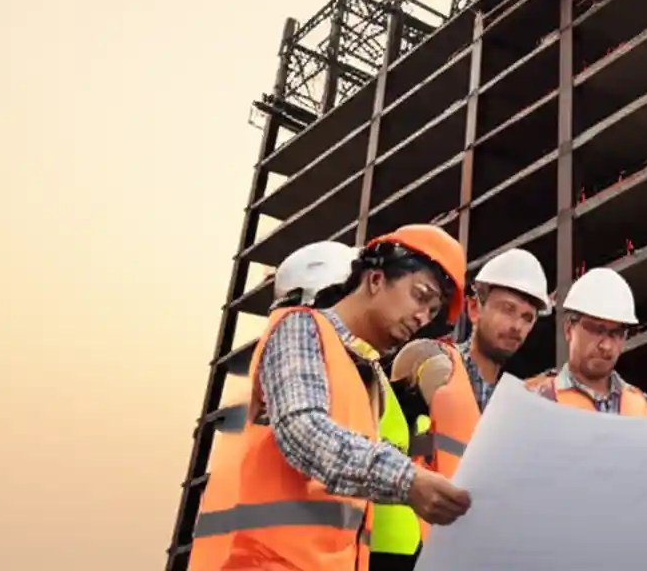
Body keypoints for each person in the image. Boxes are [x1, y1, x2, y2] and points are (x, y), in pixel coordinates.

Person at [188, 226, 473, 571]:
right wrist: (408, 481)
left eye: (433, 310)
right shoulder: (300, 327)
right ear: (376, 280)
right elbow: (303, 430)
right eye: (420, 296)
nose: (423, 317)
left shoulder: (359, 373)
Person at [387, 247, 552, 543]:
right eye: (507, 309)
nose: (517, 326)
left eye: (527, 318)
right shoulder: (431, 360)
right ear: (474, 309)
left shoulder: (516, 404)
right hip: (417, 548)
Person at [524, 267, 647, 416]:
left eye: (616, 333)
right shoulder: (534, 398)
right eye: (596, 330)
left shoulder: (643, 408)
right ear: (569, 329)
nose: (606, 346)